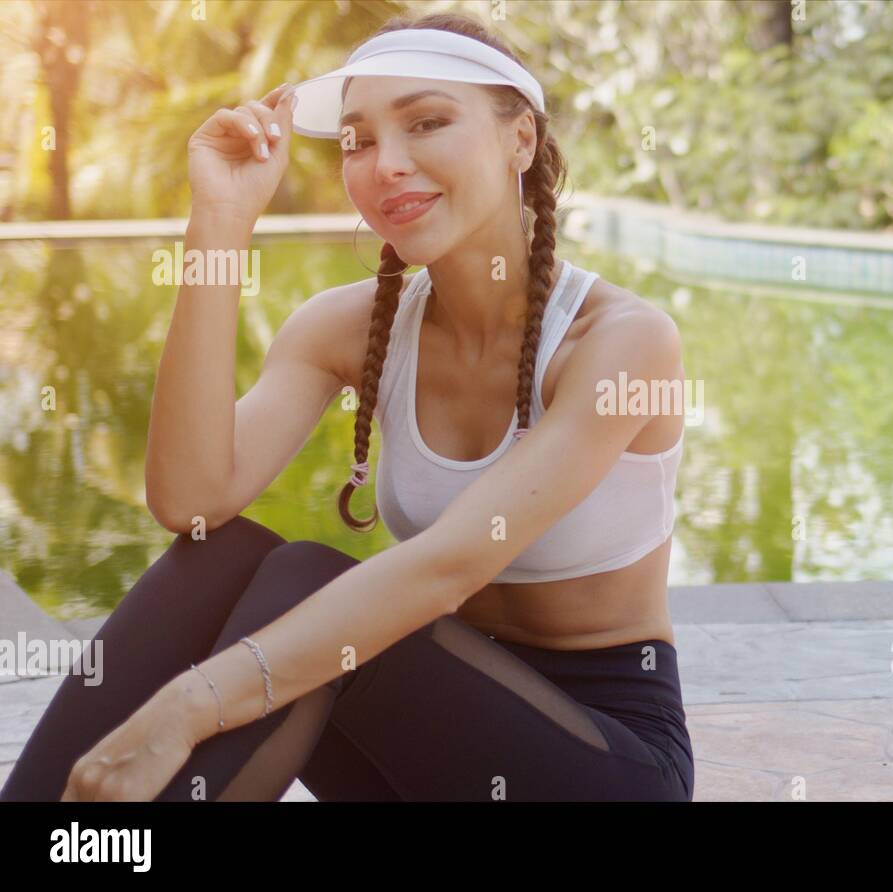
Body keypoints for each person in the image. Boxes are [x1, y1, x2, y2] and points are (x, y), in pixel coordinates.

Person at [0, 11, 691, 802]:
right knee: (223, 557)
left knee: (304, 579)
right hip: (420, 749)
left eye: (427, 122)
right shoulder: (346, 326)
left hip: (600, 763)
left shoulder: (624, 344)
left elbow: (447, 568)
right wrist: (221, 224)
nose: (385, 164)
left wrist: (186, 709)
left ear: (520, 141)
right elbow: (191, 504)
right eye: (358, 141)